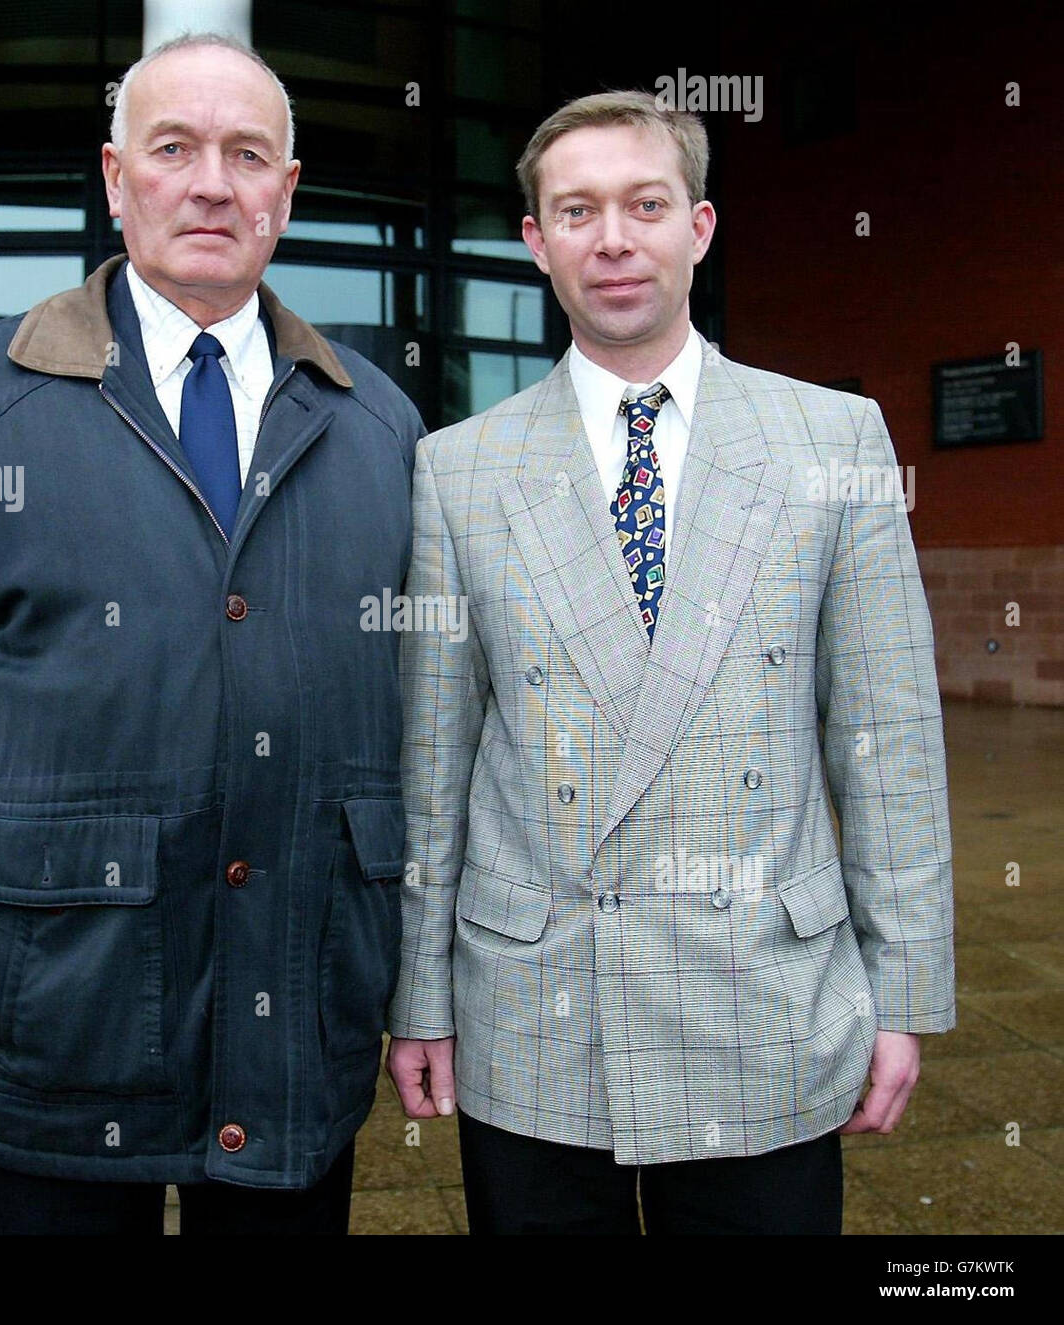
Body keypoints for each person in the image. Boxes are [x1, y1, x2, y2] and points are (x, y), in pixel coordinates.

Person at [0, 32, 422, 1236]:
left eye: (246, 154)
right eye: (174, 148)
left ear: (287, 190)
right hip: (59, 1003)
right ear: (116, 179)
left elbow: (405, 686)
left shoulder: (379, 423)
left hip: (296, 1001)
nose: (211, 182)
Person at [386, 89, 954, 1235]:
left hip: (765, 994)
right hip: (534, 1005)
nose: (613, 238)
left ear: (697, 227)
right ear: (537, 243)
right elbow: (434, 758)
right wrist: (422, 995)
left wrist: (906, 991)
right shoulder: (456, 468)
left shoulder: (830, 440)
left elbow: (886, 737)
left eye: (645, 204)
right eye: (576, 210)